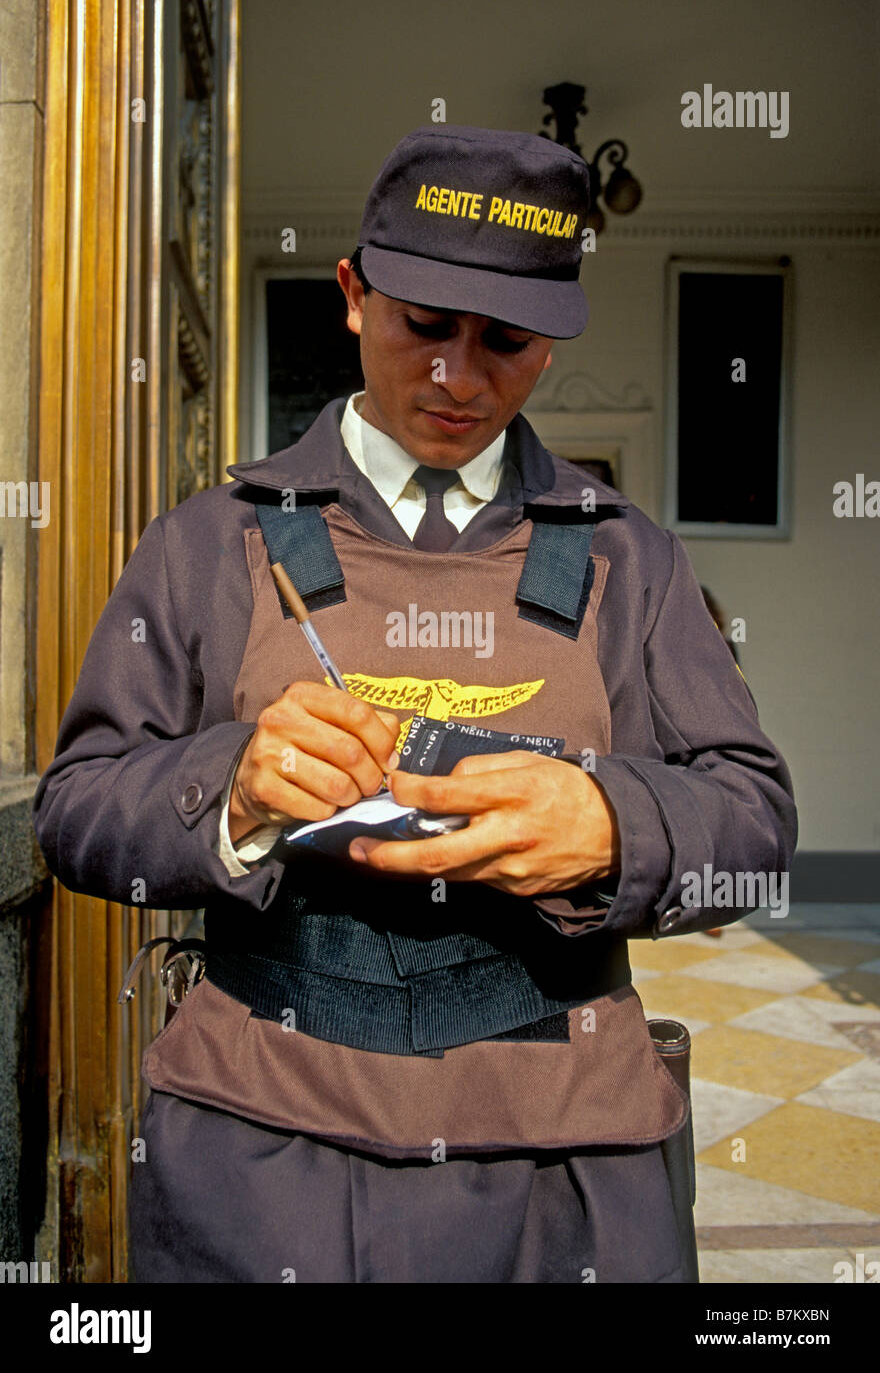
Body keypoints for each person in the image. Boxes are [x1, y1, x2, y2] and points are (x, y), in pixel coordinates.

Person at [32, 125, 797, 1284]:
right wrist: (233, 788)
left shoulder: (625, 559)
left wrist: (613, 825)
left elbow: (755, 820)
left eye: (507, 340)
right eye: (422, 325)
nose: (457, 375)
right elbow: (77, 808)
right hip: (263, 1145)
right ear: (352, 293)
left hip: (563, 1165)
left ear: (553, 343)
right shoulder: (211, 540)